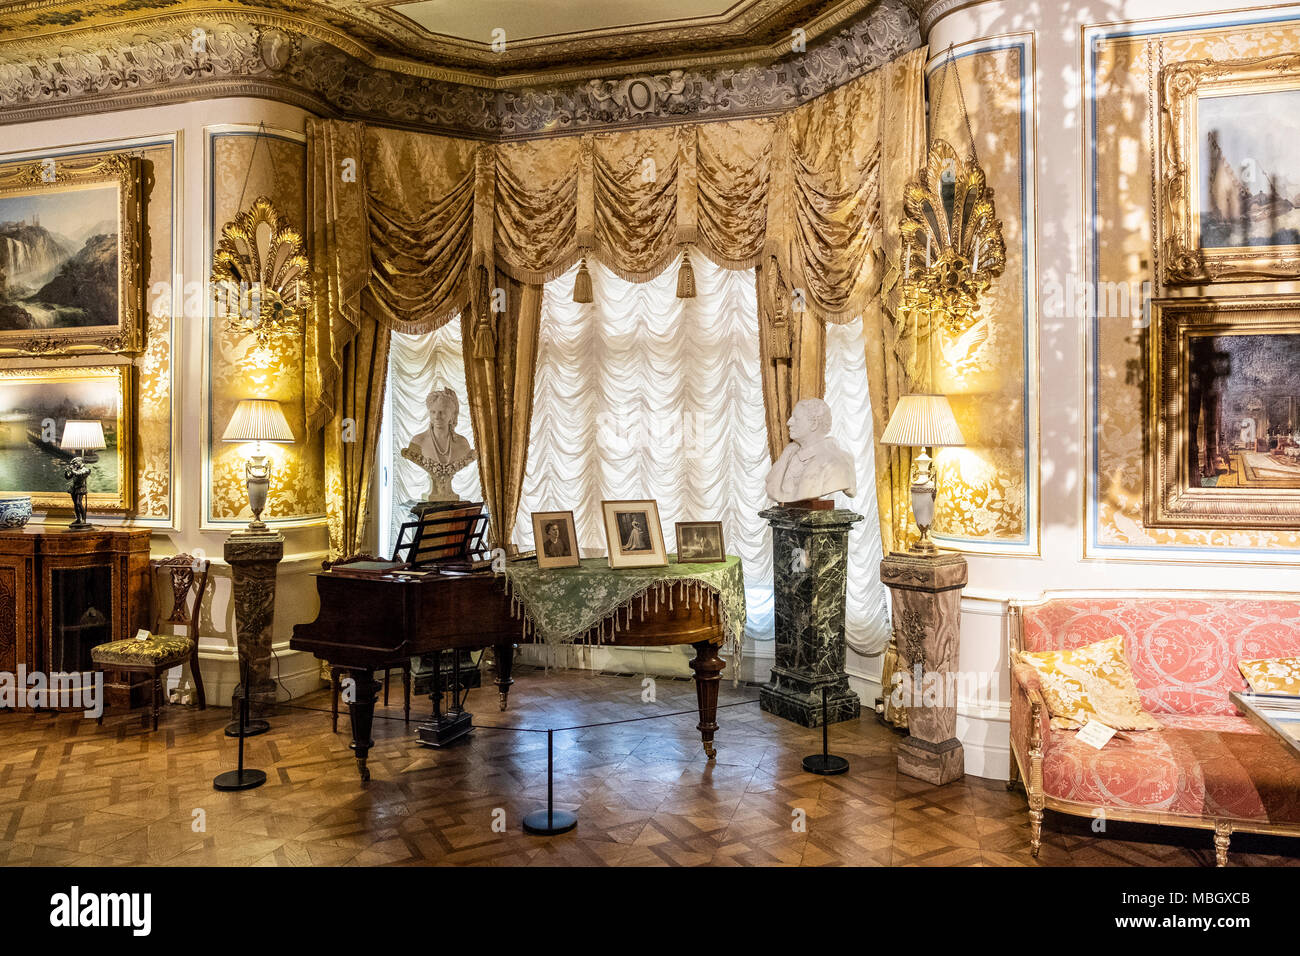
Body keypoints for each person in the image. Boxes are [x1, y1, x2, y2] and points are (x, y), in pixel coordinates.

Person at [764, 397, 856, 502]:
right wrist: (786, 456)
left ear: (814, 424)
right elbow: (772, 489)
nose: (789, 422)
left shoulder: (836, 462)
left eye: (796, 418)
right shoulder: (790, 454)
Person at [401, 386, 476, 502]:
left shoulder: (463, 444)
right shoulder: (418, 442)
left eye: (442, 412)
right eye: (433, 412)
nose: (437, 416)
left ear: (451, 415)